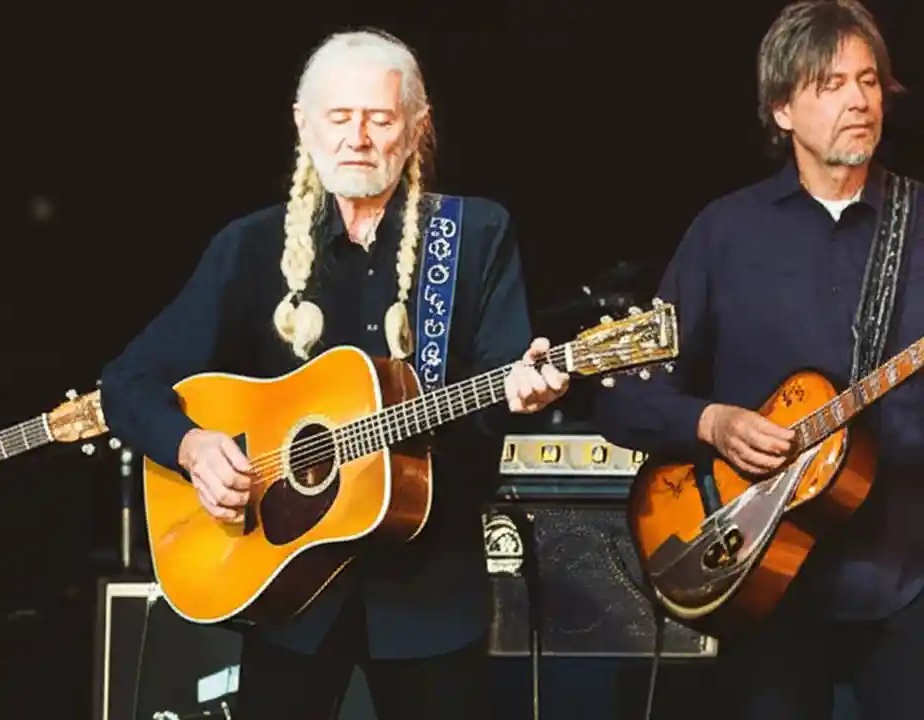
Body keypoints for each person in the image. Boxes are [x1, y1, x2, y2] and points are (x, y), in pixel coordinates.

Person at [100, 29, 569, 720]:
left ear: (415, 129)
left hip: (430, 593)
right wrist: (192, 447)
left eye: (379, 120)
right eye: (338, 118)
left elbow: (497, 387)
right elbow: (127, 382)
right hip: (290, 592)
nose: (358, 138)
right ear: (303, 124)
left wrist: (525, 391)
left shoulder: (472, 236)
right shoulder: (250, 247)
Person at [593, 1, 924, 717]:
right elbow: (624, 394)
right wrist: (711, 423)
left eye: (869, 81)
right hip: (765, 584)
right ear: (782, 109)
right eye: (830, 84)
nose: (859, 101)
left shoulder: (920, 223)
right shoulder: (724, 233)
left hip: (908, 577)